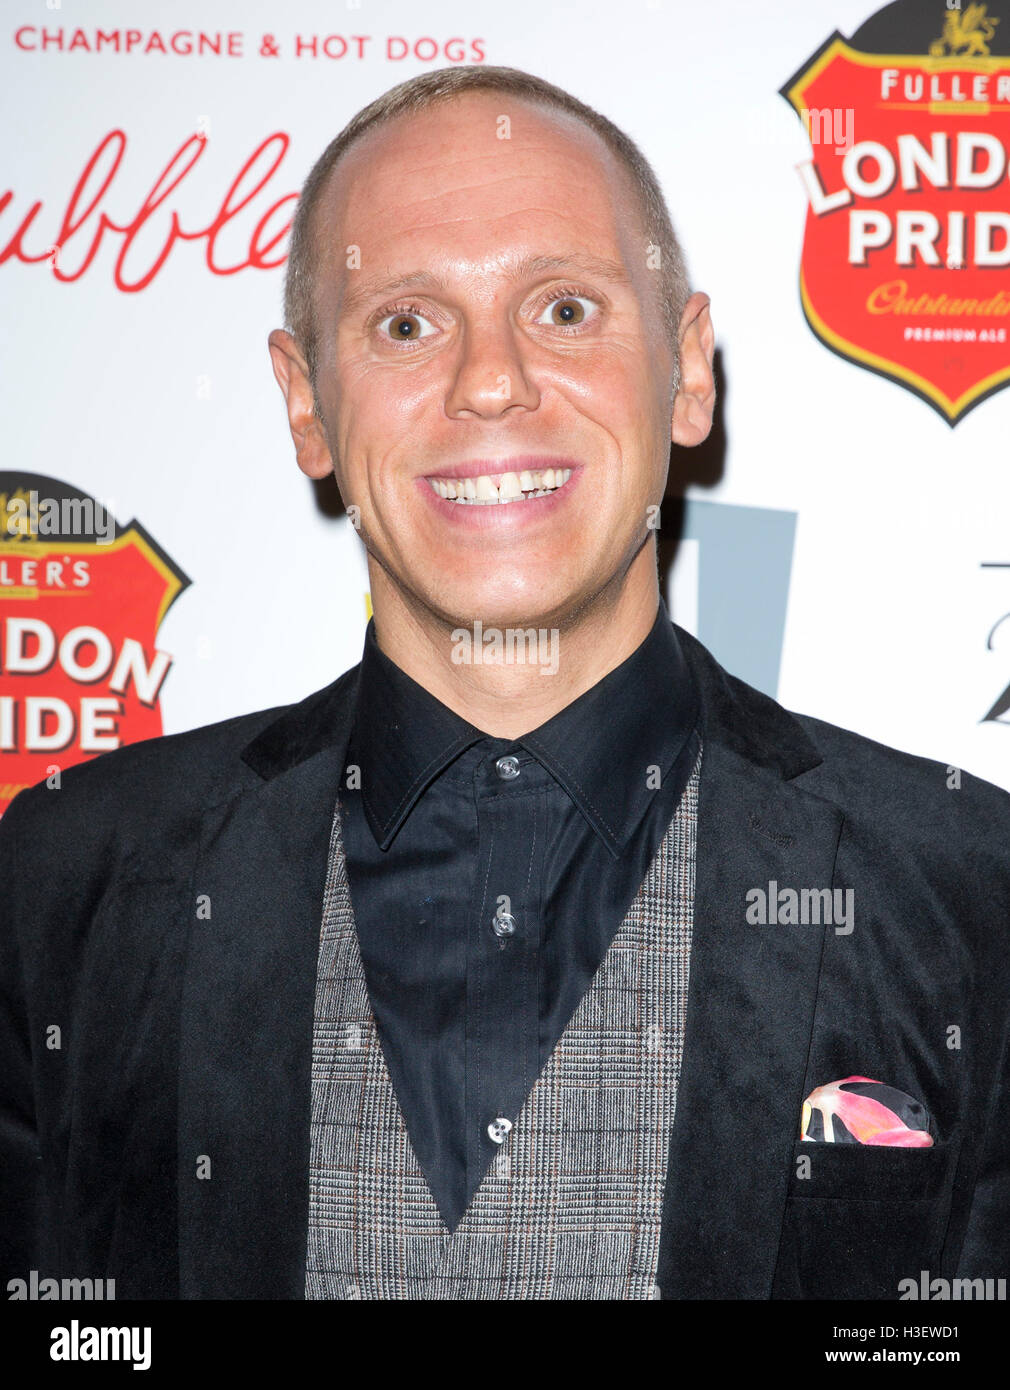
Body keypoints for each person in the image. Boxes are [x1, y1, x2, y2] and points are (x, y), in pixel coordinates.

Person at [2, 65, 1008, 1302]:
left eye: (565, 309)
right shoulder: (65, 884)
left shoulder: (970, 890)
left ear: (687, 370)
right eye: (406, 324)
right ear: (306, 403)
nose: (489, 381)